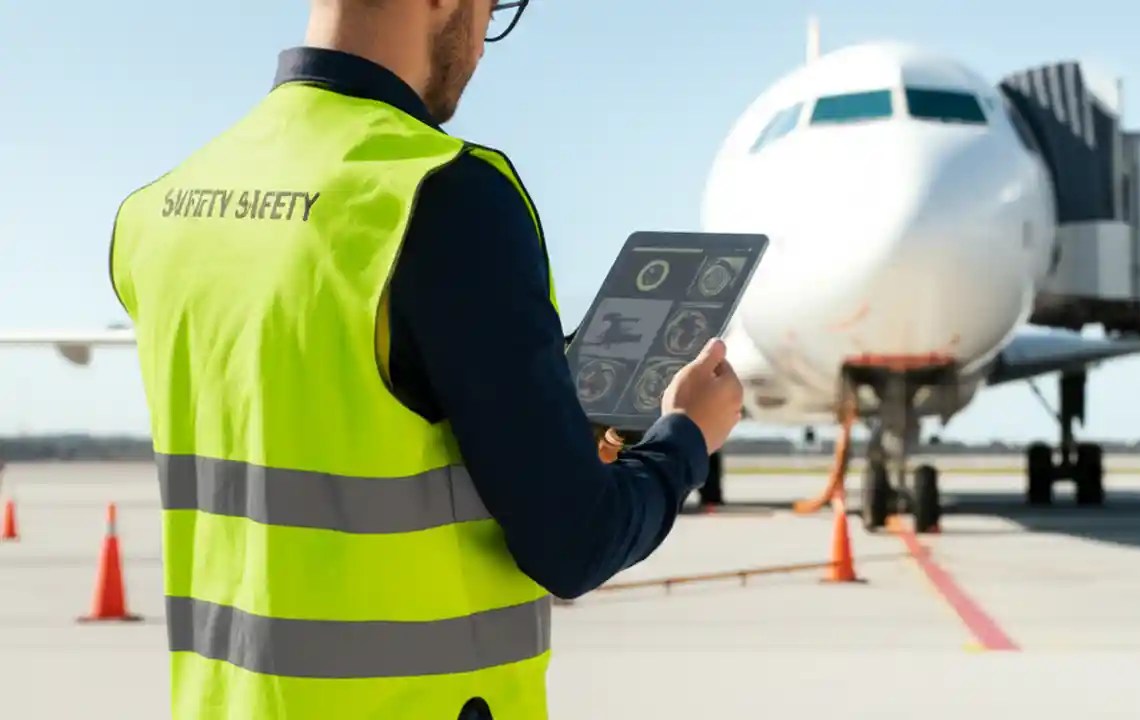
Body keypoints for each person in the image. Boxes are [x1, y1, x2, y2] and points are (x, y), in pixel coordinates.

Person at [106, 0, 744, 718]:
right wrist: (687, 437)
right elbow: (577, 543)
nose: (481, 43)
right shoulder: (444, 195)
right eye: (491, 9)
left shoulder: (158, 210)